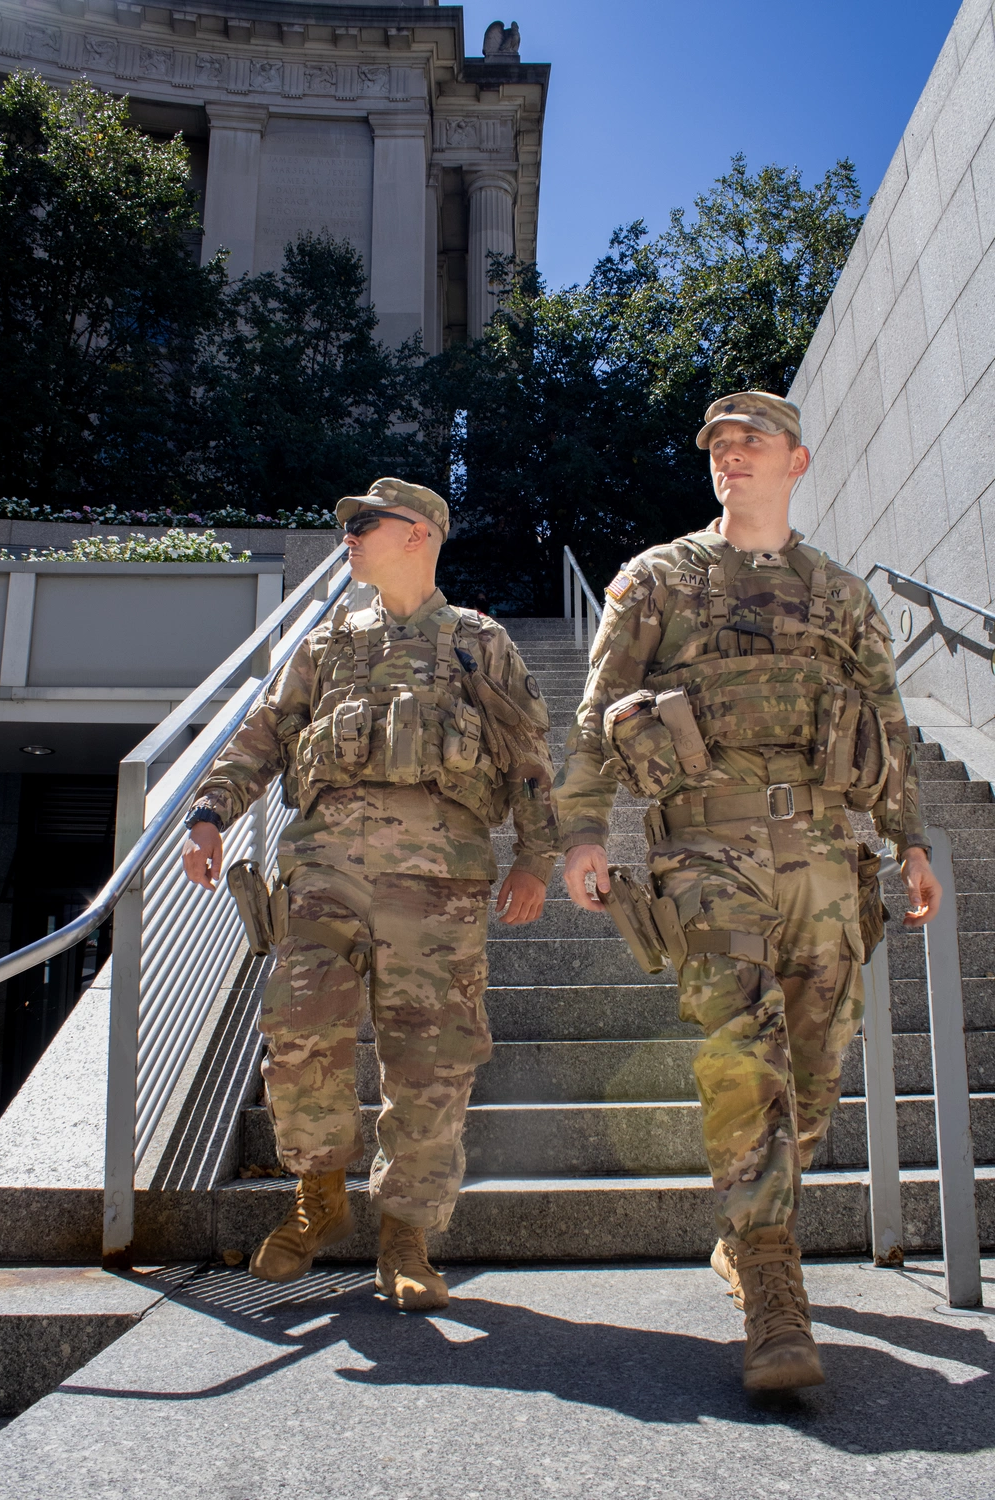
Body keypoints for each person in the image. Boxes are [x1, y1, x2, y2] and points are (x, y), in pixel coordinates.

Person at [553, 392, 941, 1393]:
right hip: (705, 852)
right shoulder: (657, 580)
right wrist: (583, 830)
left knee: (811, 1072)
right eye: (718, 448)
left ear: (795, 462)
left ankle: (751, 1225)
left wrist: (907, 842)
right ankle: (772, 1282)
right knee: (740, 1050)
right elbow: (600, 712)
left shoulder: (841, 594)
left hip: (822, 850)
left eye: (750, 445)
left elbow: (888, 728)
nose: (730, 459)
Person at [181, 478, 557, 1309]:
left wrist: (537, 857)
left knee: (431, 1062)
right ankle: (318, 1201)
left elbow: (529, 754)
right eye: (346, 524)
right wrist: (209, 814)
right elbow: (263, 736)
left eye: (364, 523)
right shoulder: (327, 644)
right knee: (297, 1029)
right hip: (325, 876)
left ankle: (406, 1234)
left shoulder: (479, 642)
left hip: (441, 886)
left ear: (419, 533)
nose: (346, 534)